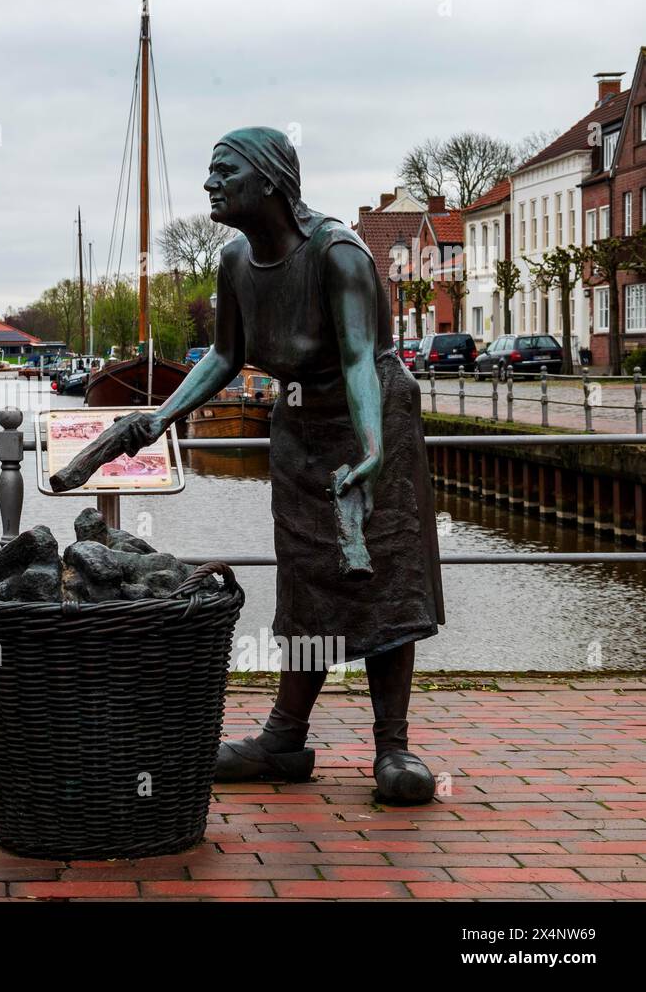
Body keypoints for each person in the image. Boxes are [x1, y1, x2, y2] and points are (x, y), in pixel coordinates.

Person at [85, 127, 444, 804]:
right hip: (300, 425)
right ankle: (285, 738)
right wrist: (161, 417)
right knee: (307, 577)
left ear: (271, 181)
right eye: (210, 171)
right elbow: (225, 357)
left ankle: (392, 745)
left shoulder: (338, 254)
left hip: (373, 417)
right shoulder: (234, 262)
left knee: (384, 577)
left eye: (224, 171)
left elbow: (360, 359)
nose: (210, 183)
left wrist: (371, 451)